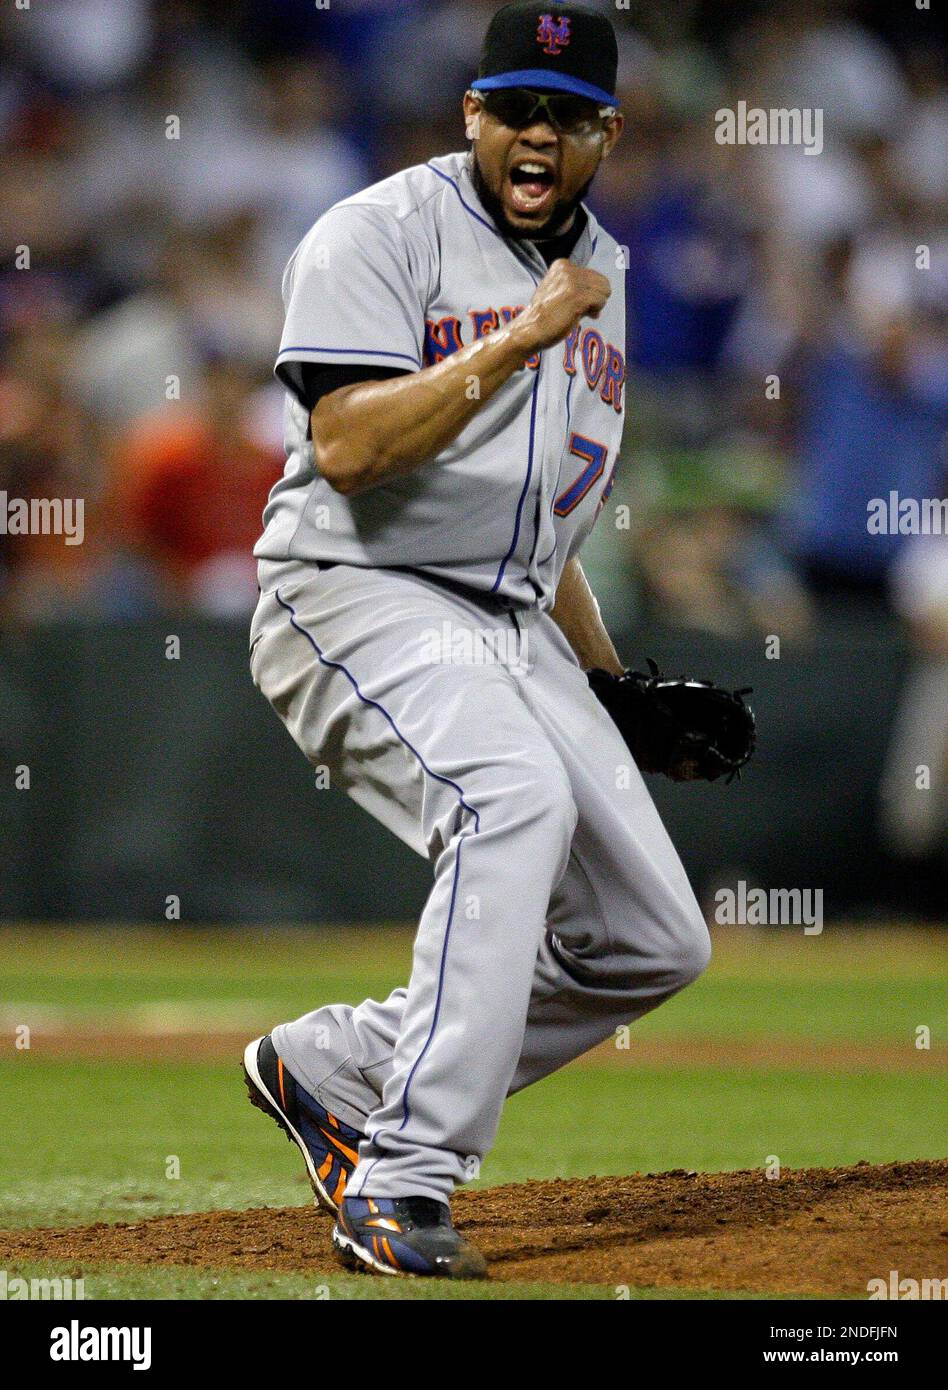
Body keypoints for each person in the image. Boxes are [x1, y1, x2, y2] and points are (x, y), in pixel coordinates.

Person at [243, 1, 711, 1279]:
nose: (538, 136)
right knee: (510, 800)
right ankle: (399, 1177)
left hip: (507, 610)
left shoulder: (596, 283)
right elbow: (347, 449)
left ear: (608, 133)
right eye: (515, 108)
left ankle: (337, 1064)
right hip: (354, 584)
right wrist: (516, 340)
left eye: (567, 115)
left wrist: (618, 690)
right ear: (471, 115)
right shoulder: (379, 232)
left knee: (655, 937)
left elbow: (547, 536)